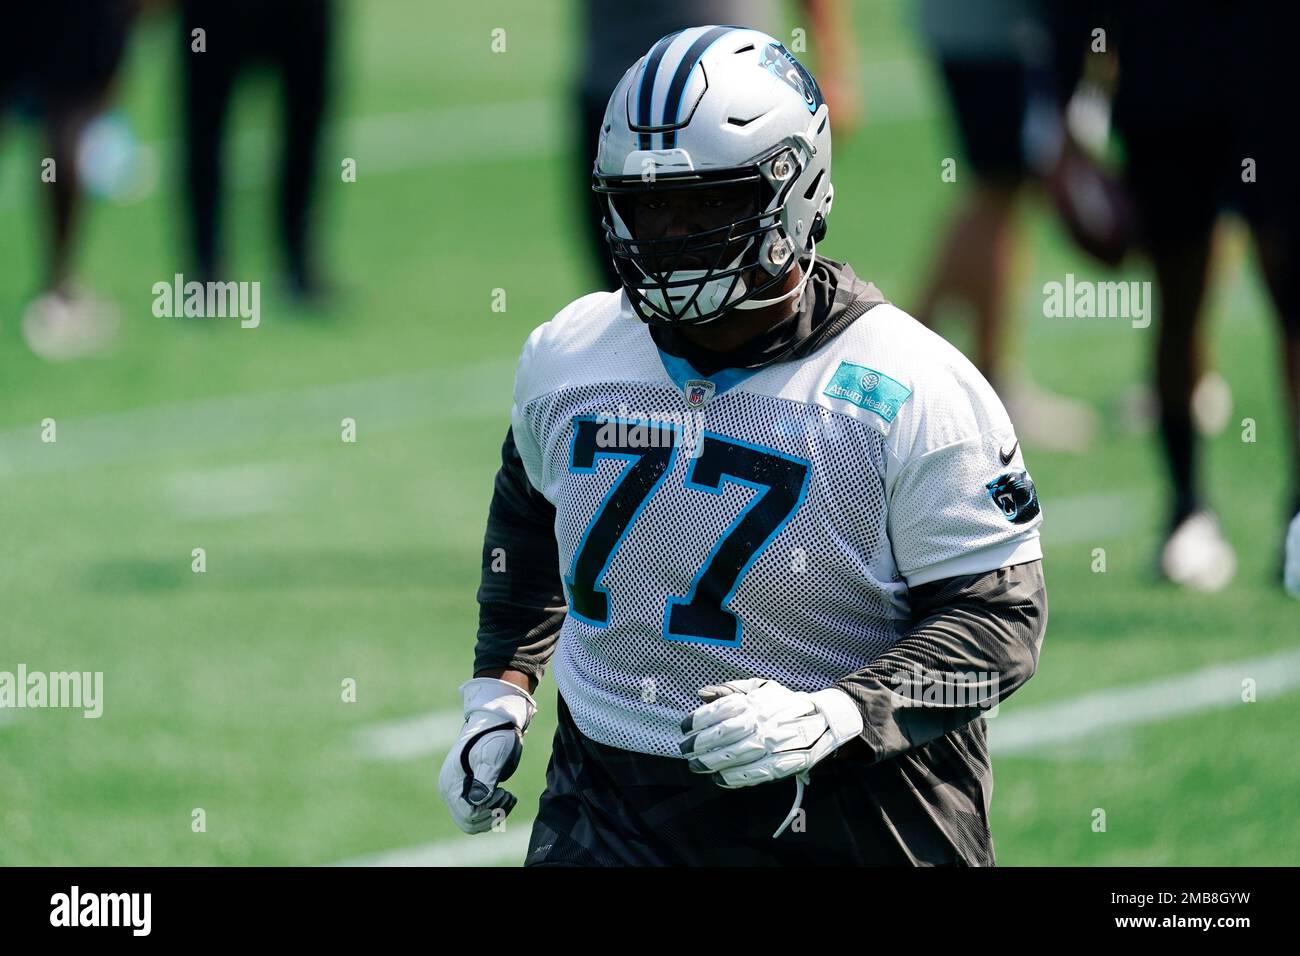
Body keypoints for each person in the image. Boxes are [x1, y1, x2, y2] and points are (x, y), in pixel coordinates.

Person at [440, 27, 1048, 866]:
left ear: (795, 189)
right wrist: (498, 692)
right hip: (611, 798)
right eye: (644, 204)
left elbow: (1001, 623)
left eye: (705, 204)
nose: (668, 236)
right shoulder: (574, 352)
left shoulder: (910, 386)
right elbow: (530, 515)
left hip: (855, 798)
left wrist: (839, 713)